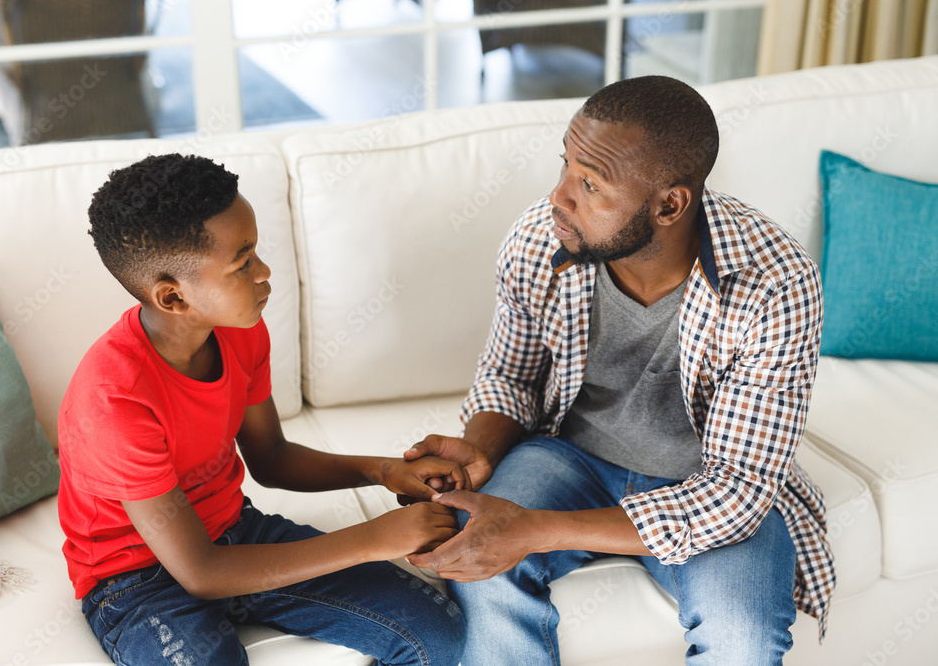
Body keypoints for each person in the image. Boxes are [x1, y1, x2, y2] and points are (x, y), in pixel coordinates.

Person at [405, 76, 835, 665]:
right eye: (565, 166)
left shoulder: (775, 283)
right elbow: (511, 378)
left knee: (743, 638)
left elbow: (735, 492)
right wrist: (478, 449)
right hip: (569, 456)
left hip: (704, 481)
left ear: (668, 205)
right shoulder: (542, 238)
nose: (559, 196)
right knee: (477, 565)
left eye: (590, 184)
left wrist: (535, 530)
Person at [57, 154, 467, 666]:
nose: (264, 271)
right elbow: (201, 573)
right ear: (173, 296)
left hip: (236, 534)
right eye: (242, 261)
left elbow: (270, 457)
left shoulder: (240, 331)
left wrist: (386, 471)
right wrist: (374, 538)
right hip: (137, 581)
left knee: (439, 633)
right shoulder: (114, 402)